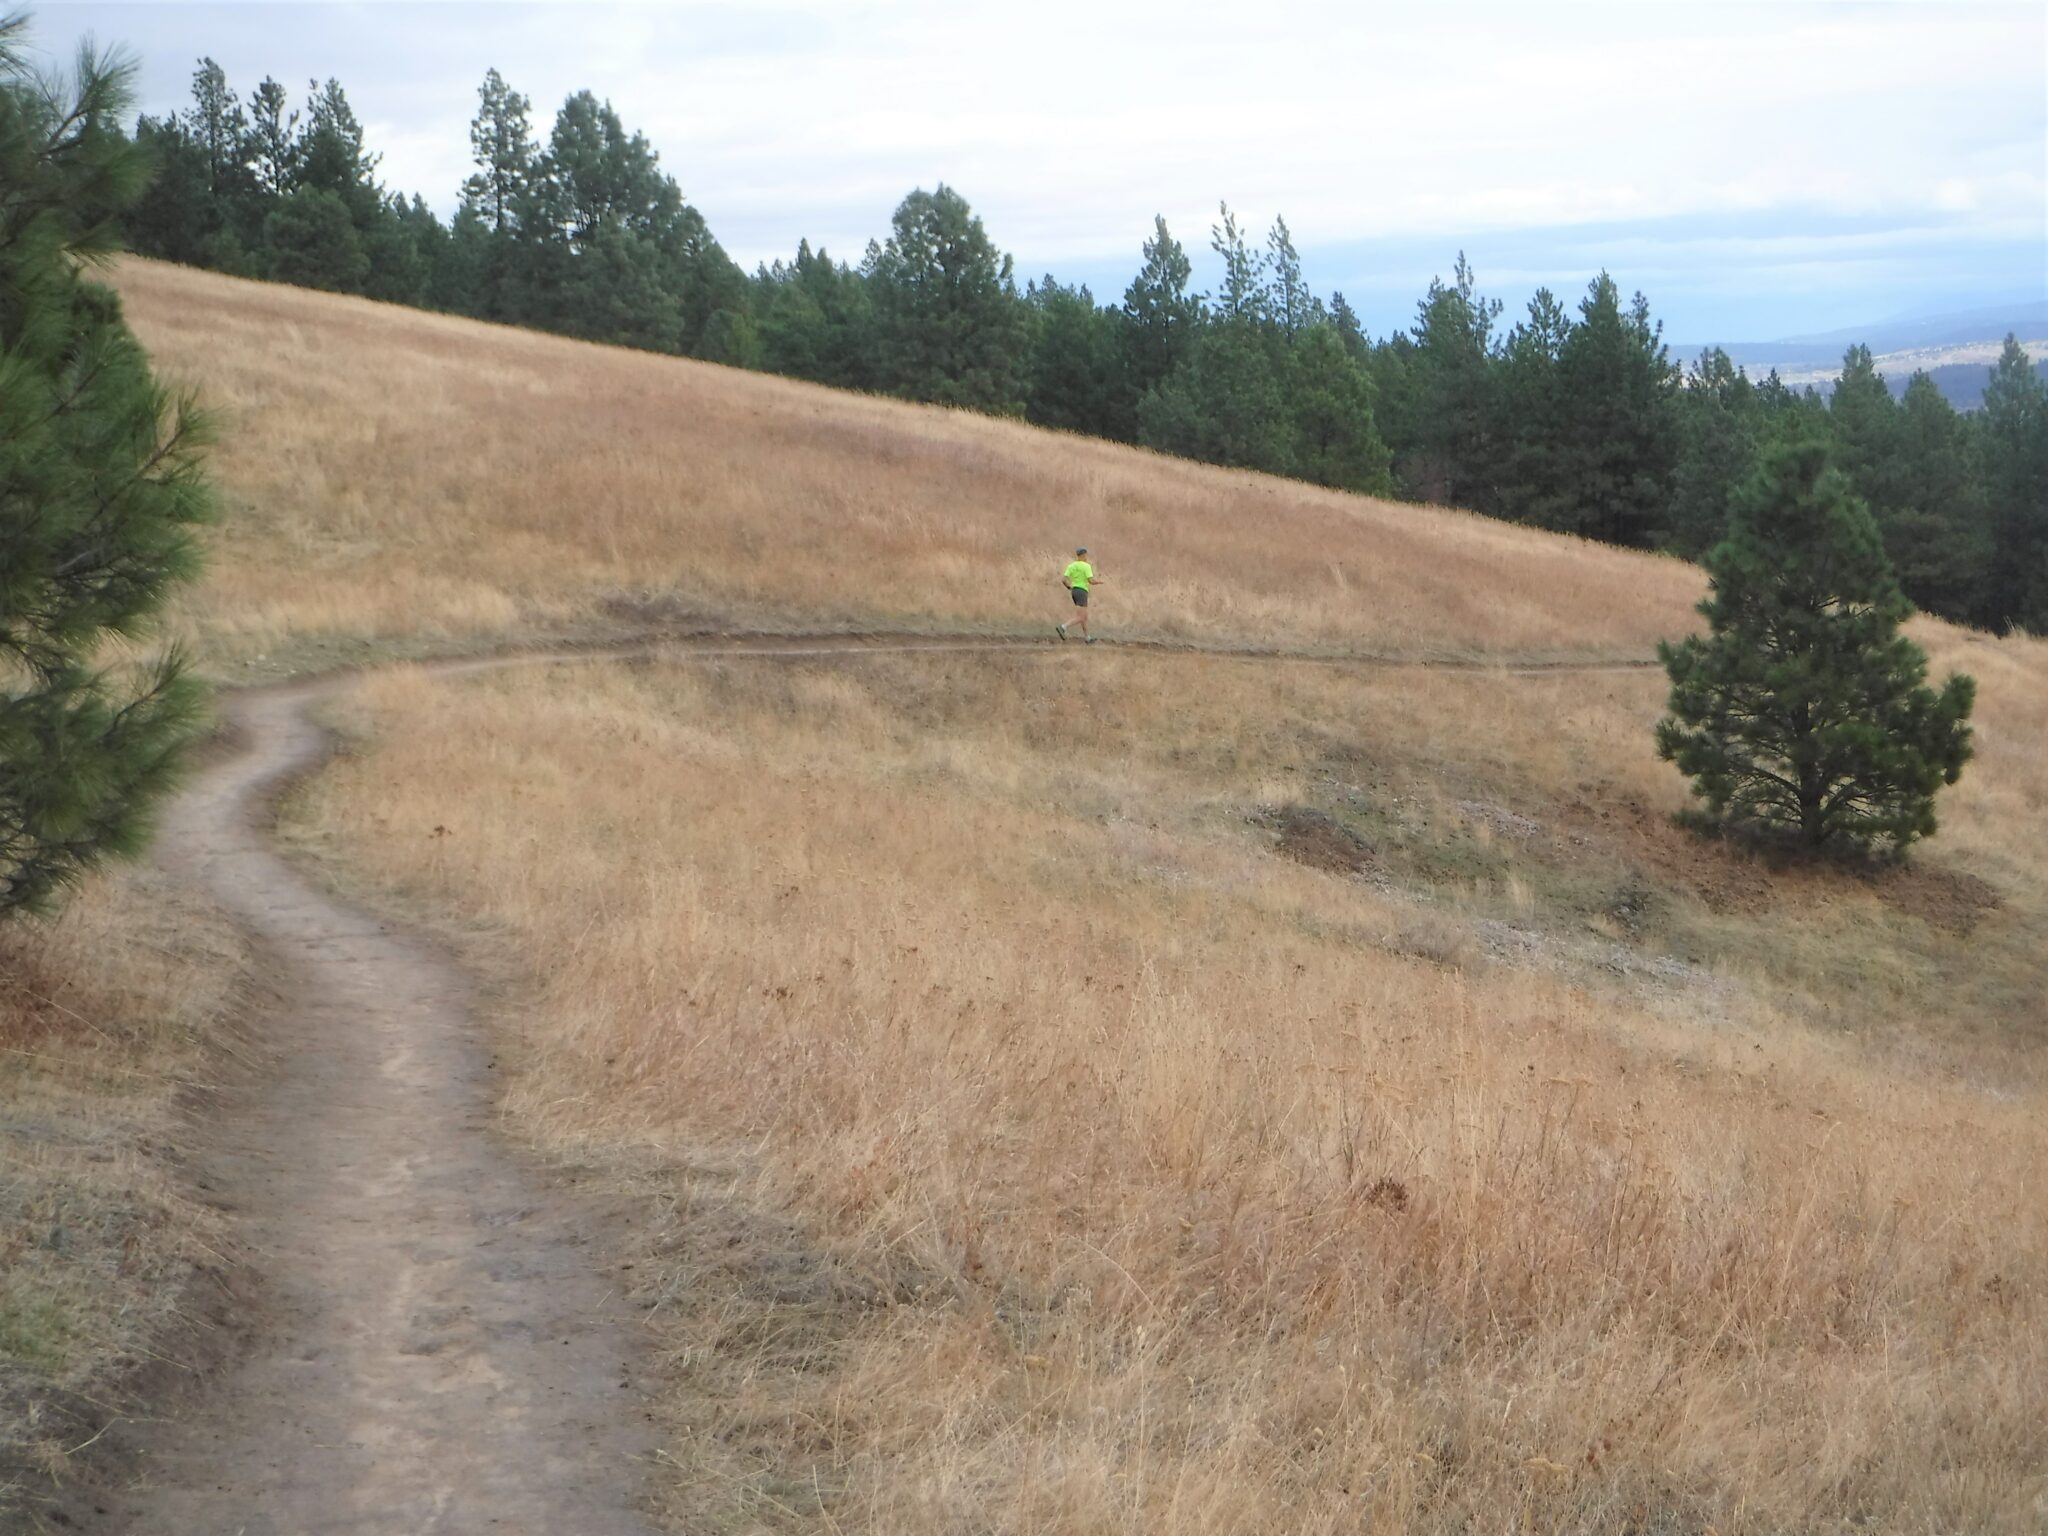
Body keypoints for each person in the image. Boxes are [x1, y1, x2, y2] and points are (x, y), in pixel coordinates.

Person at [1056, 547, 1102, 643]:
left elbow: (1064, 580)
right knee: (1081, 617)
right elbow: (1091, 581)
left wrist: (1069, 587)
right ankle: (1063, 627)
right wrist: (1100, 582)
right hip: (1082, 591)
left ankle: (1087, 638)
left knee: (1083, 616)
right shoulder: (1086, 566)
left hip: (1074, 591)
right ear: (1083, 555)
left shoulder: (1071, 566)